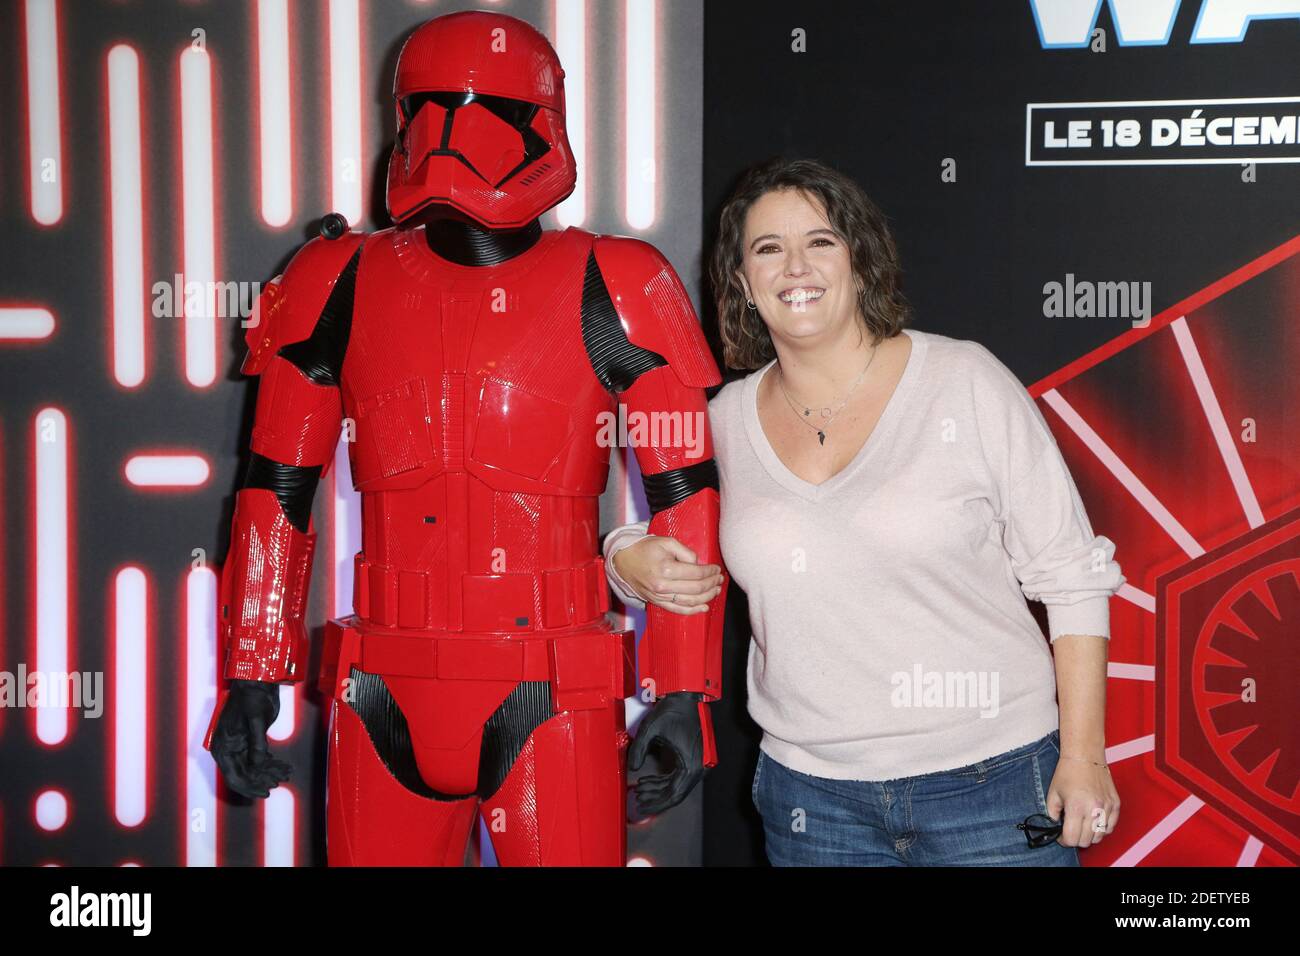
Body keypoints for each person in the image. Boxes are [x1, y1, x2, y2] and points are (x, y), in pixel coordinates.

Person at [603, 157, 1124, 866]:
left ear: (860, 260)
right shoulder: (718, 423)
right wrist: (623, 557)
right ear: (741, 283)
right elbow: (657, 530)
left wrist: (1087, 757)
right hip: (811, 802)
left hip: (996, 788)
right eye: (767, 248)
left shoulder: (962, 381)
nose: (795, 265)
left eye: (820, 240)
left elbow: (1072, 575)